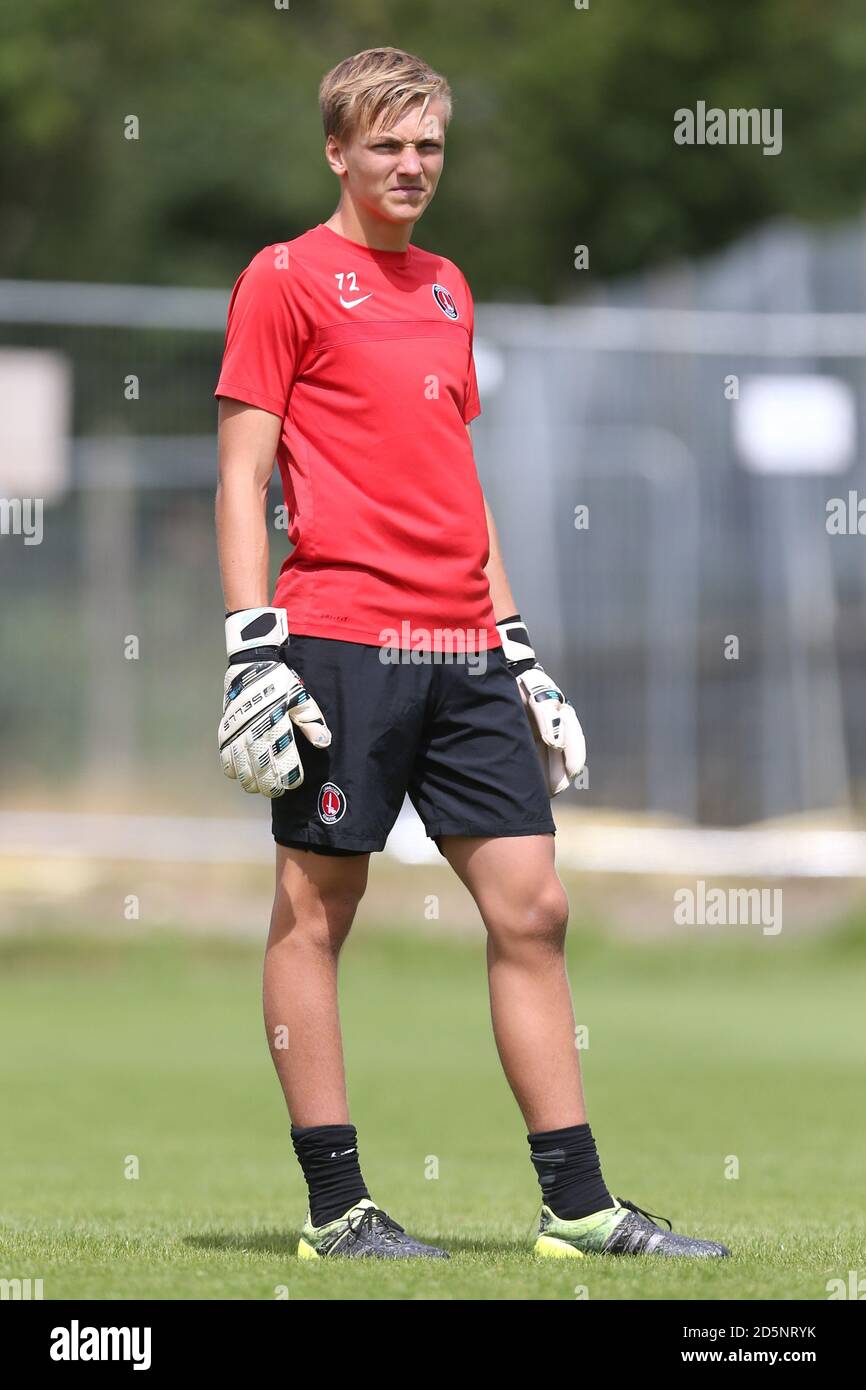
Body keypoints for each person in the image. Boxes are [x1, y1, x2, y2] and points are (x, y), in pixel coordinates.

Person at [214, 45, 729, 1261]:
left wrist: (518, 642)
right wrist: (251, 650)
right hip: (340, 639)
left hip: (464, 646)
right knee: (312, 911)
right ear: (337, 149)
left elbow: (458, 476)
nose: (410, 165)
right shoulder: (281, 278)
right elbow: (241, 473)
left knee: (533, 906)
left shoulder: (448, 286)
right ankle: (337, 1209)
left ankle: (577, 1207)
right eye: (386, 144)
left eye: (428, 144)